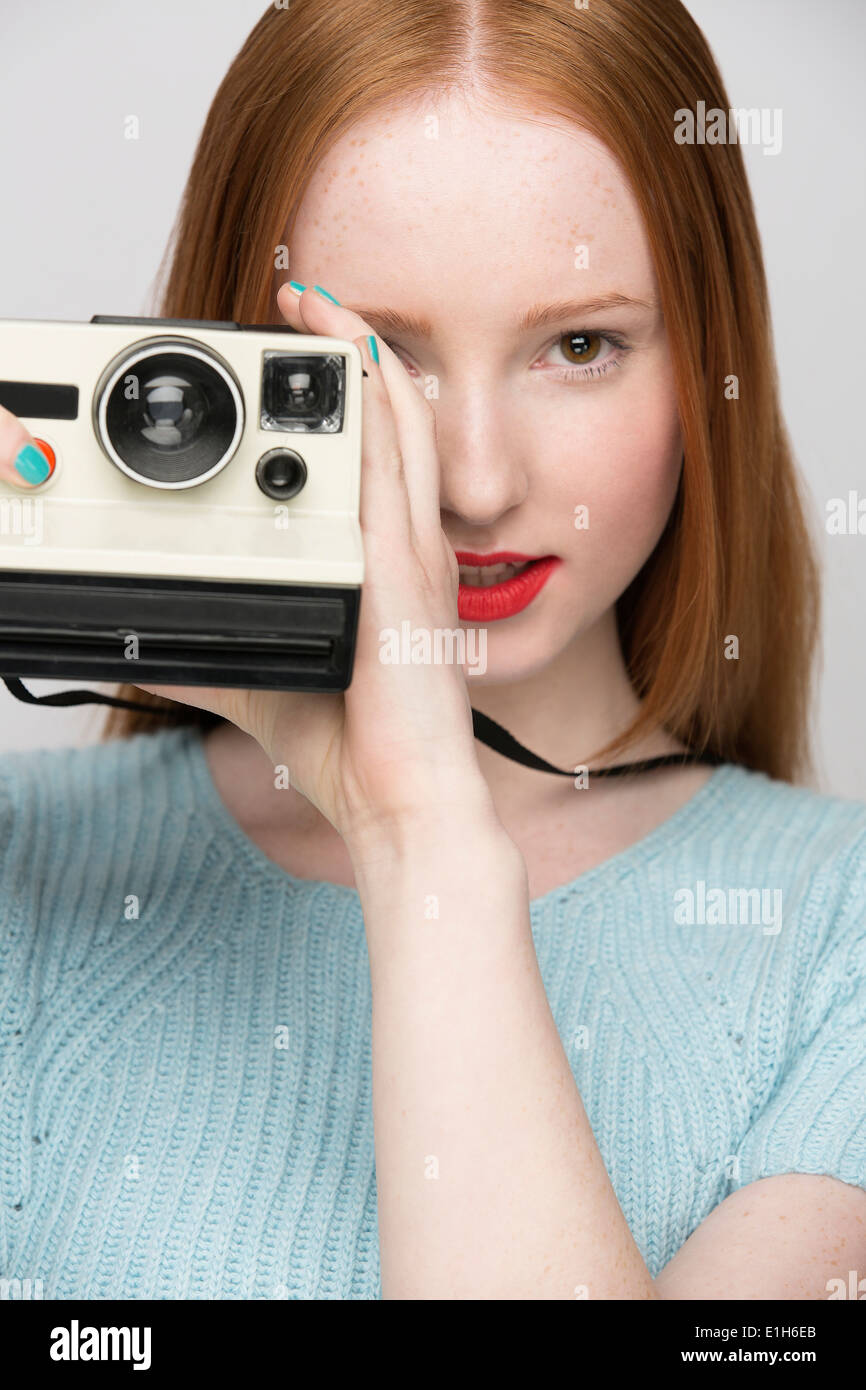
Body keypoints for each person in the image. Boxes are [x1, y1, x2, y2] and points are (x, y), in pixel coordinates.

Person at [1, 0, 864, 1300]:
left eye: (580, 345)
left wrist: (420, 836)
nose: (471, 481)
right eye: (378, 360)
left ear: (707, 360)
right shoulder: (28, 869)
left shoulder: (837, 948)